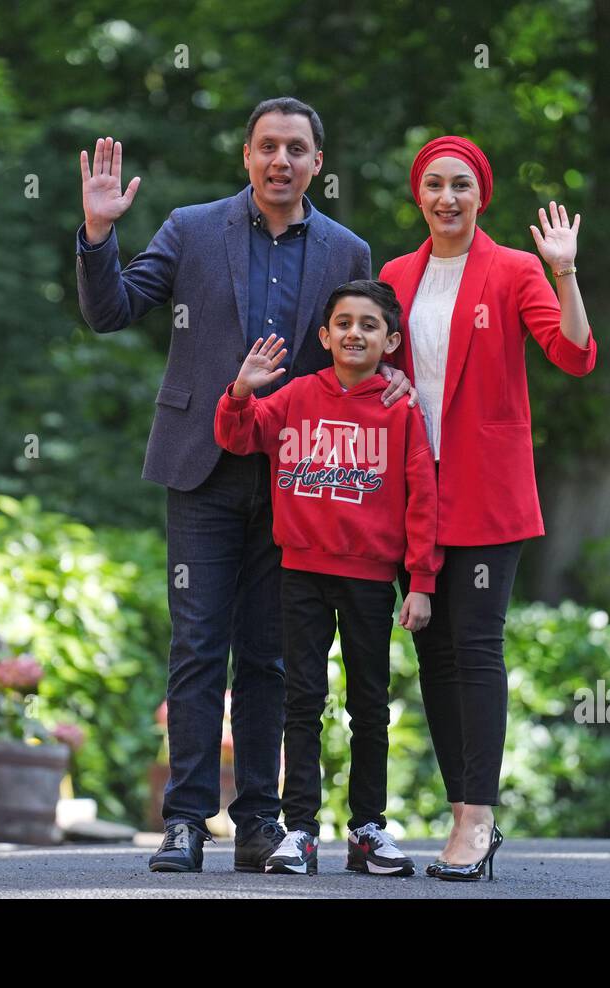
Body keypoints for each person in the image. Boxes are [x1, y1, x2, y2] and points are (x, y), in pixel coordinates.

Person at [75, 97, 414, 873]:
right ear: (247, 155)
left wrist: (395, 384)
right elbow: (112, 311)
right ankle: (187, 820)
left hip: (301, 479)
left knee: (271, 656)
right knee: (197, 644)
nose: (280, 161)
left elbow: (363, 347)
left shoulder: (346, 248)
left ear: (317, 164)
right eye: (268, 146)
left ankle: (260, 822)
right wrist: (99, 234)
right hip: (201, 465)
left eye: (296, 149)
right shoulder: (193, 229)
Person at [379, 135, 598, 881]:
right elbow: (379, 368)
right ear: (420, 195)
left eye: (461, 186)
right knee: (432, 653)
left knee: (475, 648)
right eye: (435, 184)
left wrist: (565, 272)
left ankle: (478, 817)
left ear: (481, 196)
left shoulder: (513, 269)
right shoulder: (395, 275)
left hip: (488, 491)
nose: (448, 197)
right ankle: (459, 808)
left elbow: (573, 353)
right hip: (413, 490)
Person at [213, 281, 442, 876]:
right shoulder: (295, 397)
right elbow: (238, 434)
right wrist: (241, 389)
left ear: (391, 341)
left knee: (370, 707)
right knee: (302, 703)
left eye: (369, 325)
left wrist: (420, 581)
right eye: (343, 323)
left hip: (370, 579)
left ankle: (368, 831)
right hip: (302, 574)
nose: (354, 333)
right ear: (324, 335)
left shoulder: (400, 406)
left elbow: (423, 497)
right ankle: (302, 832)